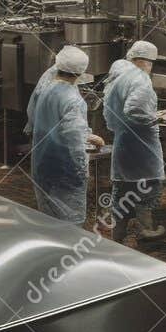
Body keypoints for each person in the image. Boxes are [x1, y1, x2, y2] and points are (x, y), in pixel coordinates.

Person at [29, 45, 103, 223]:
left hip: (42, 163)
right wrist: (81, 171)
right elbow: (75, 144)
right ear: (81, 72)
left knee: (48, 221)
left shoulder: (46, 90)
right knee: (70, 225)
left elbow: (53, 124)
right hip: (64, 169)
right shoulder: (72, 99)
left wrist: (86, 134)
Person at [105, 41, 166, 245]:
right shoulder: (140, 78)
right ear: (143, 62)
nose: (151, 68)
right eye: (151, 63)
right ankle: (146, 229)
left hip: (123, 140)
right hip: (141, 145)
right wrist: (155, 118)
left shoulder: (118, 76)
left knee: (122, 190)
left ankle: (118, 236)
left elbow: (111, 114)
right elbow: (135, 110)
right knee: (149, 186)